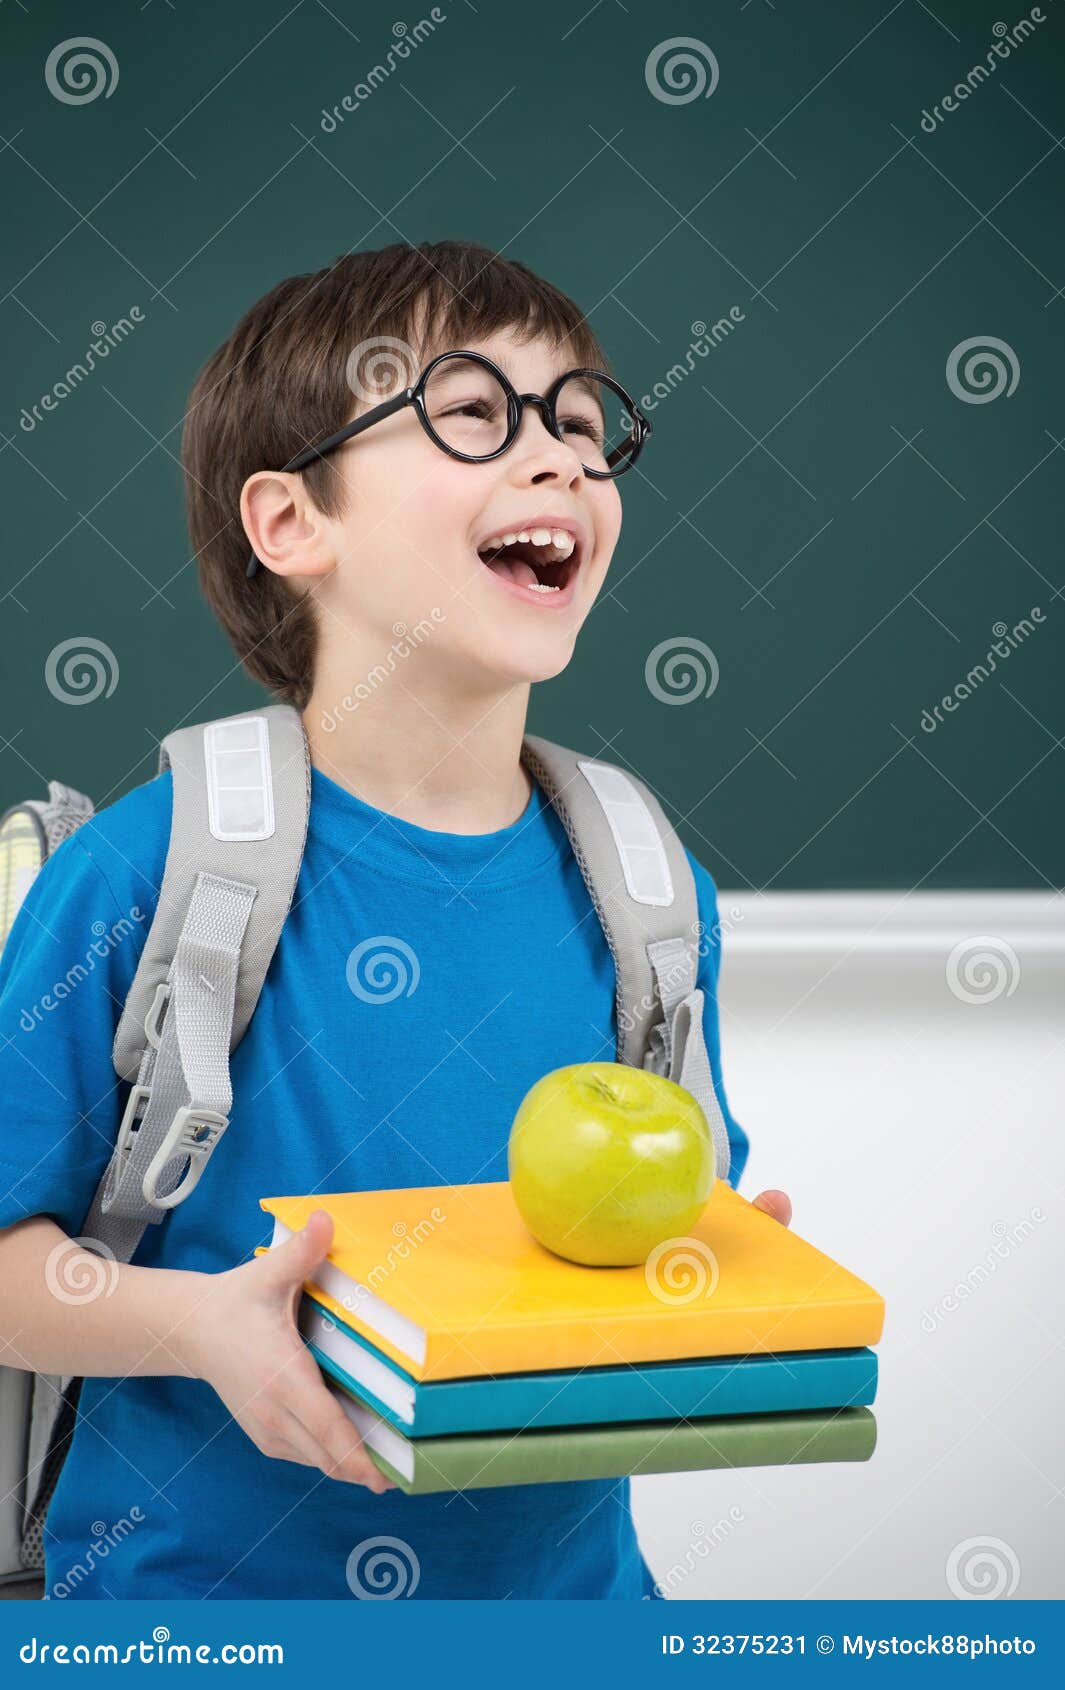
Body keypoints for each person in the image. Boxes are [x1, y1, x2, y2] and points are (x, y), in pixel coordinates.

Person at [0, 239, 790, 1600]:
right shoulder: (148, 875)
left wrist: (706, 1267)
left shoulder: (649, 887)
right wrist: (199, 1325)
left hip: (579, 1625)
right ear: (290, 524)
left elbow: (632, 1240)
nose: (560, 461)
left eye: (585, 425)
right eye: (474, 413)